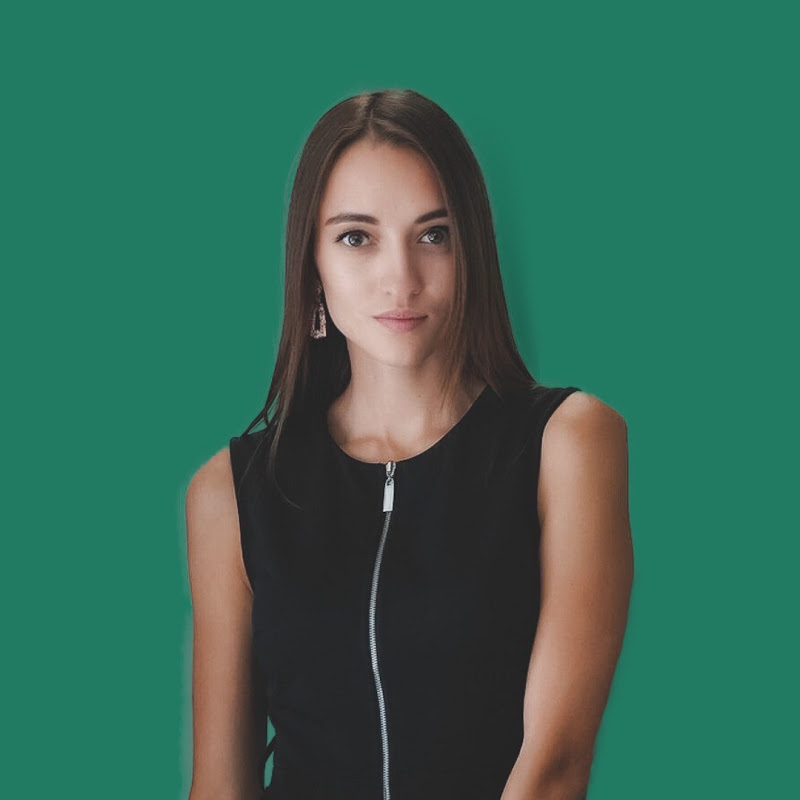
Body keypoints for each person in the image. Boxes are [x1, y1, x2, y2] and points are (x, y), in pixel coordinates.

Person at [185, 89, 633, 800]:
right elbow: (218, 786)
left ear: (472, 249)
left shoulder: (568, 444)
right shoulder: (232, 492)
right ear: (312, 266)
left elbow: (555, 765)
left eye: (434, 235)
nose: (401, 278)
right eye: (356, 237)